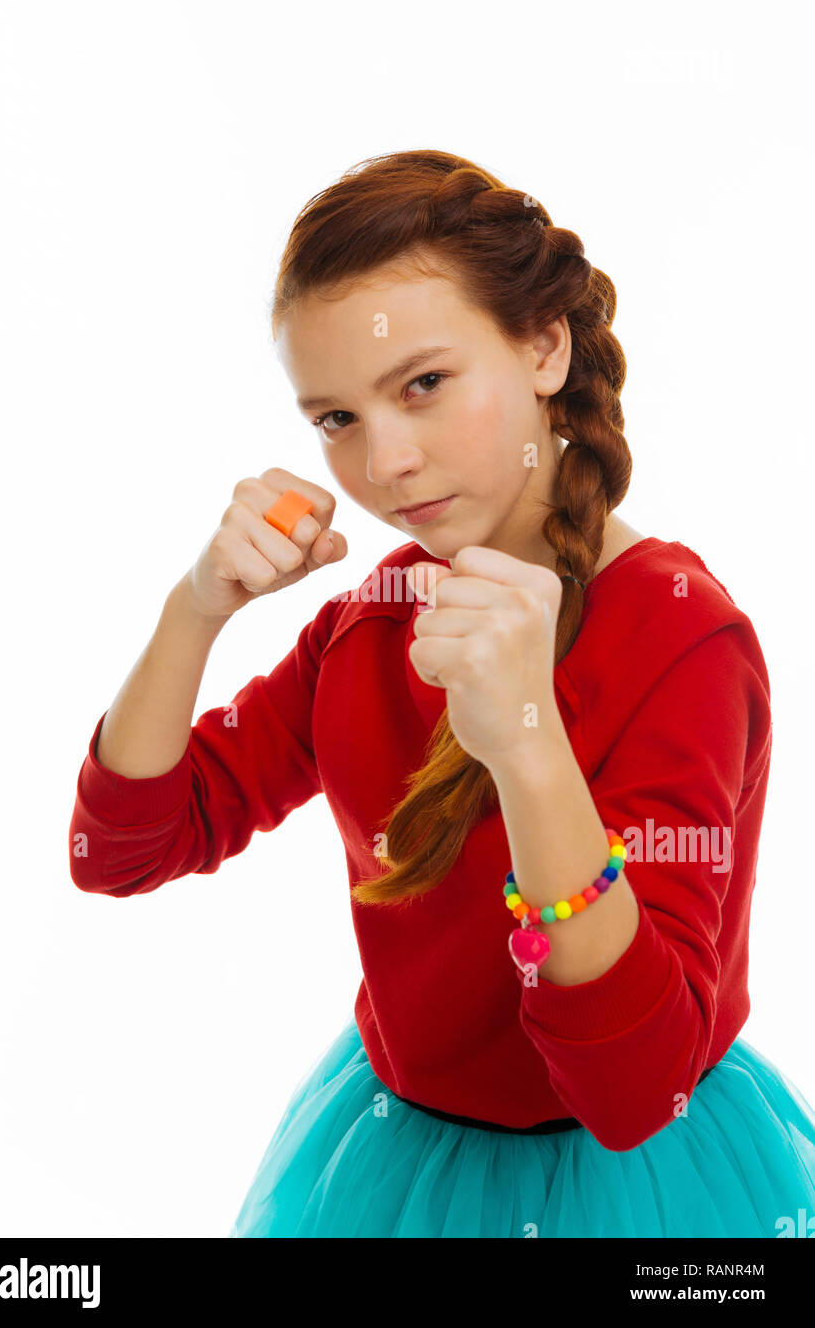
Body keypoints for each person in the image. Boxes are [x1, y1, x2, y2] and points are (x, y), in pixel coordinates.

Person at [69, 149, 815, 1238]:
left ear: (543, 345)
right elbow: (122, 849)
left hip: (634, 1198)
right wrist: (196, 607)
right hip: (391, 1159)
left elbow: (628, 1087)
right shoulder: (374, 621)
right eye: (336, 420)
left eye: (422, 384)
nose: (387, 464)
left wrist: (525, 741)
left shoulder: (680, 636)